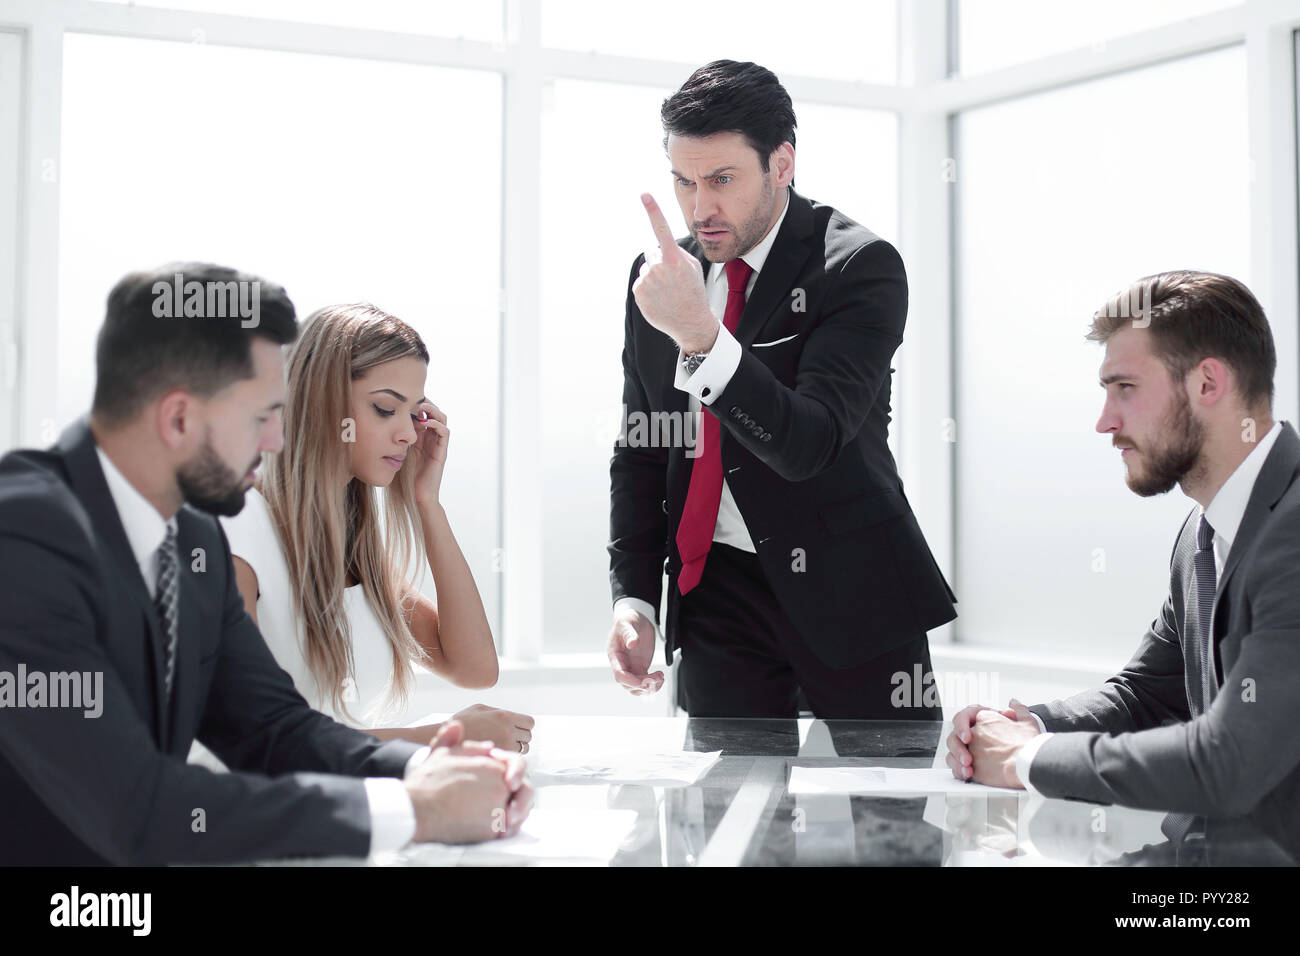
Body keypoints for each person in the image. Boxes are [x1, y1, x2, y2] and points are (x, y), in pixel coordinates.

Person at [0, 263, 532, 865]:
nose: (279, 441)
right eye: (261, 417)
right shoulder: (25, 536)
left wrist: (433, 766)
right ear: (179, 418)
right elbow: (134, 803)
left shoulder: (192, 538)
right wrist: (417, 809)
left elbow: (272, 728)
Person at [606, 60, 956, 718]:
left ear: (782, 164)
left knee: (895, 810)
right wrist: (634, 599)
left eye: (722, 180)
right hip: (715, 598)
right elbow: (643, 448)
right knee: (721, 815)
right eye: (683, 181)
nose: (700, 206)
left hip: (852, 586)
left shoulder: (856, 266)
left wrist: (701, 336)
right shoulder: (660, 278)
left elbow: (808, 442)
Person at [946, 270, 1300, 862]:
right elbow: (1148, 694)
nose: (1105, 421)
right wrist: (1028, 724)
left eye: (1125, 388)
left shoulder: (1292, 530)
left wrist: (1026, 760)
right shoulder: (1202, 531)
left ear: (1208, 382)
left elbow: (1230, 762)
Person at [222, 303, 533, 752]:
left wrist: (427, 503)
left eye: (414, 414)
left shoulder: (352, 549)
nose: (408, 434)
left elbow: (474, 668)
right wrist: (438, 739)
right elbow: (249, 738)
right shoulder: (238, 532)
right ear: (321, 405)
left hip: (335, 808)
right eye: (385, 409)